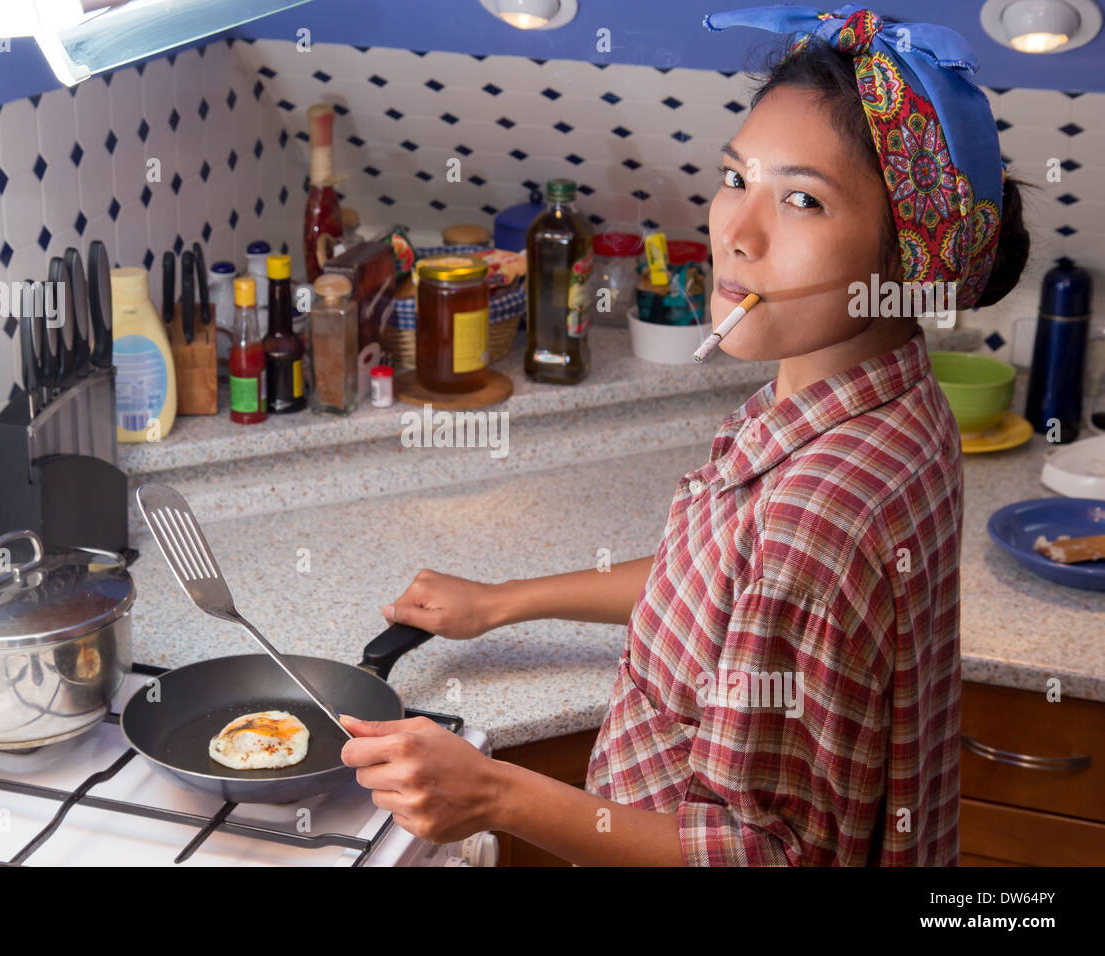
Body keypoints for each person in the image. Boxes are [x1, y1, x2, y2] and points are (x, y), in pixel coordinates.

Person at [340, 4, 1030, 865]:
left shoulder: (817, 511)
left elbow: (765, 856)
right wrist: (506, 600)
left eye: (803, 201)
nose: (735, 233)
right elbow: (720, 591)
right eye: (737, 178)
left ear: (905, 259)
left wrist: (494, 793)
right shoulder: (880, 394)